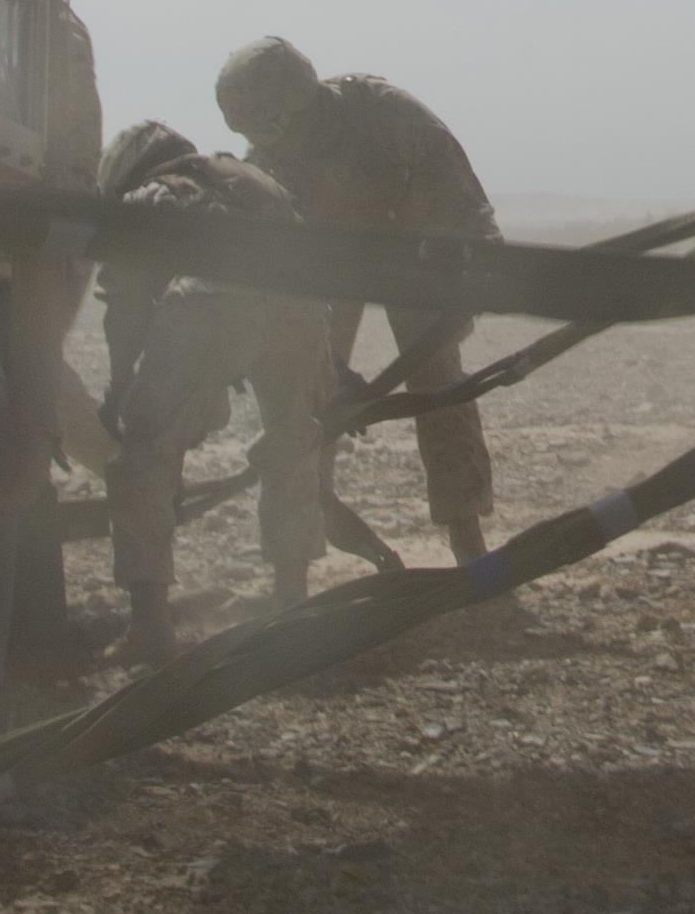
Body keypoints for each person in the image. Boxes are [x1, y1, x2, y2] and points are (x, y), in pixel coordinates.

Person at [213, 39, 500, 563]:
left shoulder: (391, 117)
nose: (283, 143)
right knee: (305, 390)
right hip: (331, 269)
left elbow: (463, 202)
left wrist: (467, 280)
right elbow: (264, 252)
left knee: (438, 384)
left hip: (419, 259)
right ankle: (301, 545)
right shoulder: (271, 158)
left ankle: (467, 539)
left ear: (303, 100)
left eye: (283, 128)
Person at [90, 119, 351, 658]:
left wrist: (121, 389)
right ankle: (290, 602)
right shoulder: (250, 178)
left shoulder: (147, 196)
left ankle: (150, 625)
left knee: (145, 452)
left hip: (212, 303)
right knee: (293, 442)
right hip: (300, 307)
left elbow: (124, 304)